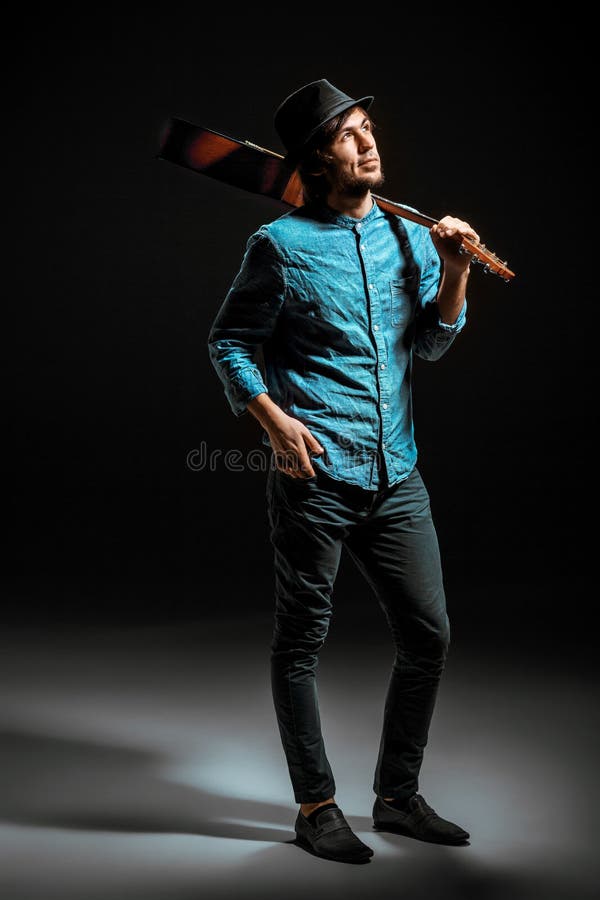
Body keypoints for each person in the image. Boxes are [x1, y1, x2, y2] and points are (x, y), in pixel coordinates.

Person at [207, 78, 477, 864]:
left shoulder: (412, 238)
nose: (367, 143)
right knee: (301, 644)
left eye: (367, 127)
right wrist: (273, 420)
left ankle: (396, 799)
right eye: (346, 135)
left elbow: (428, 343)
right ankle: (315, 806)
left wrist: (455, 268)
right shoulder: (280, 246)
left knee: (429, 635)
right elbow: (228, 342)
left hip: (398, 476)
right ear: (315, 162)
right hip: (316, 479)